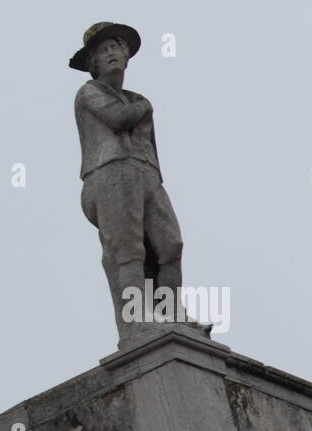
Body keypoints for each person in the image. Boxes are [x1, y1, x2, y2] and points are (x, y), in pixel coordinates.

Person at [70, 22, 207, 346]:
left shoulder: (136, 98)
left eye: (115, 48)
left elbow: (150, 145)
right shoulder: (91, 92)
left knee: (170, 243)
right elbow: (119, 119)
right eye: (103, 51)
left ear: (127, 55)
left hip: (145, 173)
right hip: (109, 172)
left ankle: (171, 312)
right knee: (127, 249)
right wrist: (143, 108)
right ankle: (137, 323)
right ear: (93, 62)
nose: (111, 55)